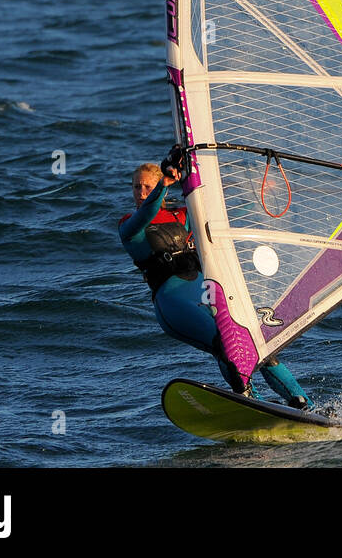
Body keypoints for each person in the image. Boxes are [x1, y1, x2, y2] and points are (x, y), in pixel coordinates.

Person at [119, 155, 312, 409]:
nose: (141, 193)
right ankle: (253, 403)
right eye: (136, 187)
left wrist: (257, 189)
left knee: (253, 342)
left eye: (148, 186)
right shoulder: (128, 227)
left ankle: (303, 403)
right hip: (174, 302)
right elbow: (146, 213)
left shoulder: (184, 215)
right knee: (224, 345)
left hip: (205, 291)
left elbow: (234, 211)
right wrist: (163, 184)